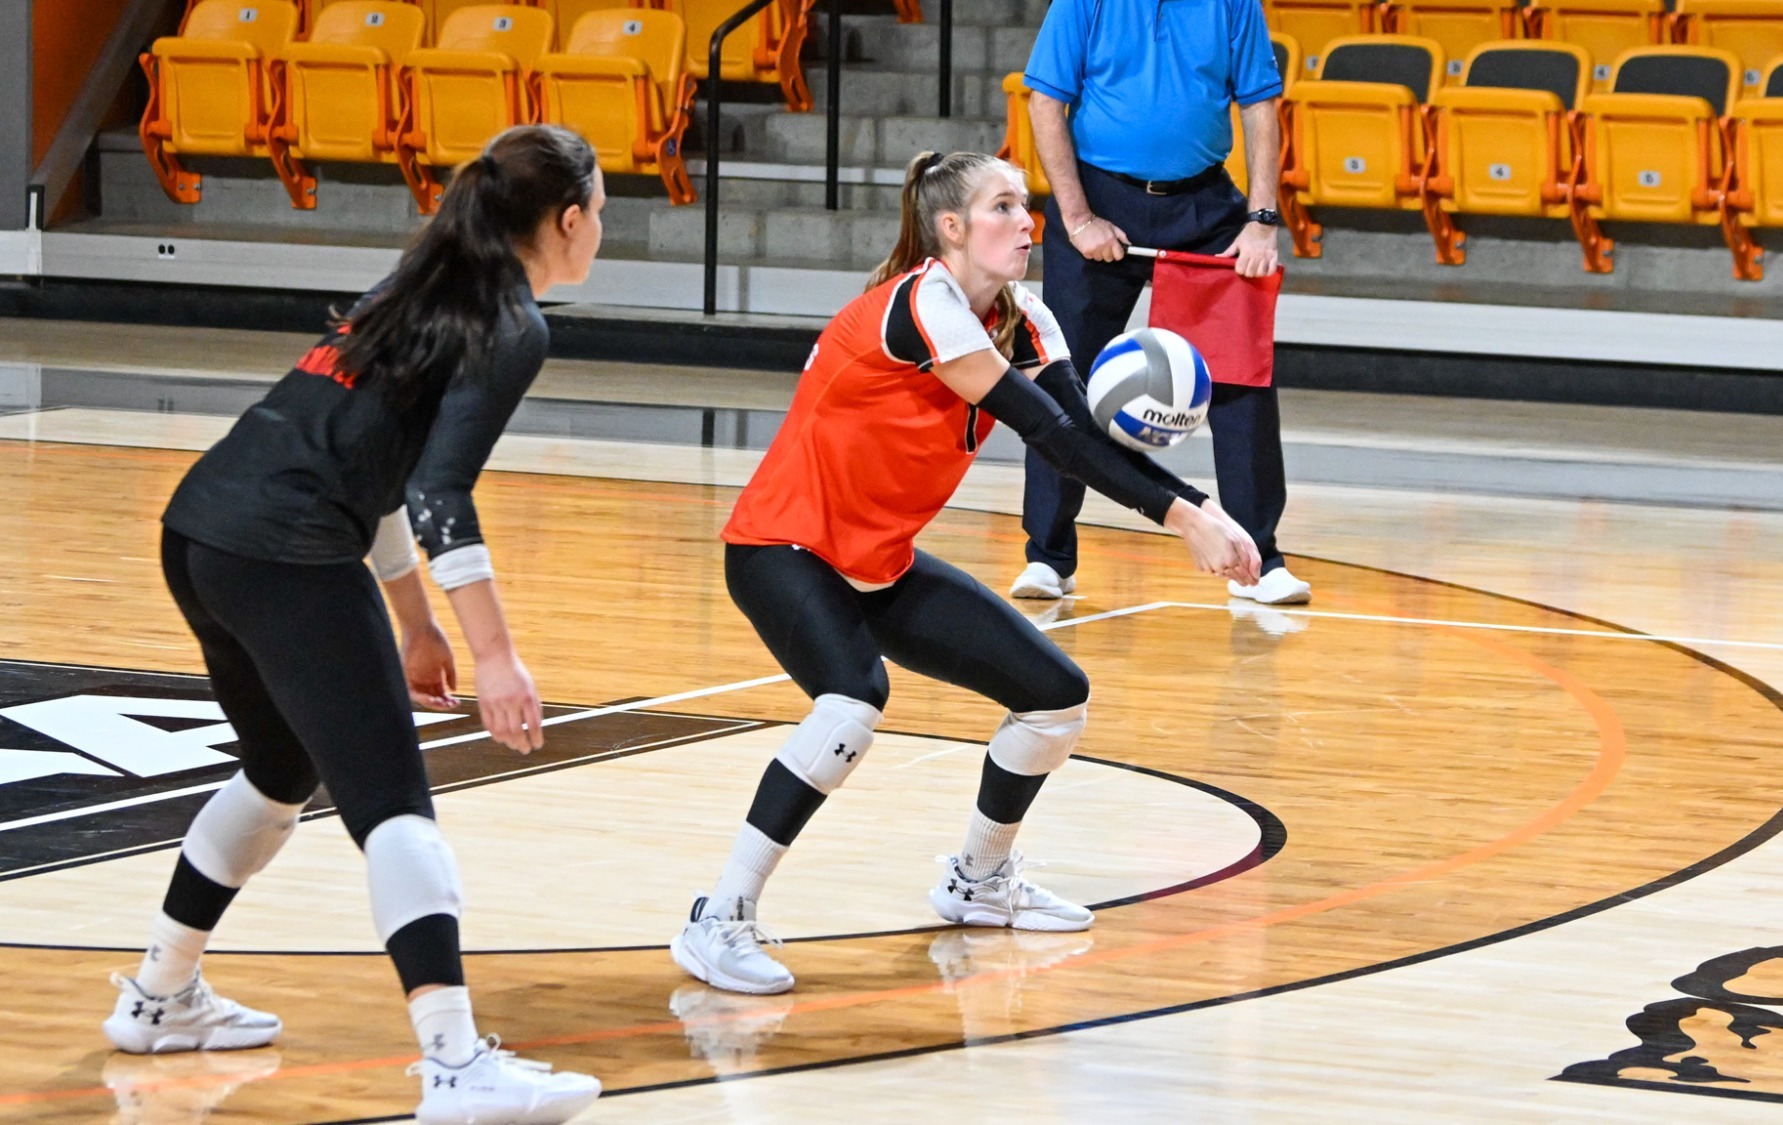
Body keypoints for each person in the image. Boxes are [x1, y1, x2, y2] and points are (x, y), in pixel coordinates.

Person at [103, 125, 604, 1125]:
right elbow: (439, 496)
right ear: (568, 220)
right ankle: (457, 1069)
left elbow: (381, 473)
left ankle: (159, 995)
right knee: (394, 808)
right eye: (601, 215)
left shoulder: (417, 286)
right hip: (283, 552)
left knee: (280, 769)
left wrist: (416, 622)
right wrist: (496, 656)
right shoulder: (510, 323)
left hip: (202, 531)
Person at [671, 150, 1261, 995]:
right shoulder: (924, 305)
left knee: (1055, 698)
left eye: (1028, 206)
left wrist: (1200, 506)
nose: (1029, 221)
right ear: (951, 228)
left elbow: (1084, 438)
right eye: (1005, 206)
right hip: (782, 546)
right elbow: (1046, 433)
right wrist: (1184, 518)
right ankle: (719, 916)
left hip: (879, 563)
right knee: (849, 703)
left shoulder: (1028, 320)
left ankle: (978, 879)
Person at [1009, 0, 1311, 607]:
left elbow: (1258, 104)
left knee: (1240, 378)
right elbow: (1046, 103)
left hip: (1203, 207)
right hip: (1097, 201)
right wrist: (1076, 218)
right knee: (1060, 381)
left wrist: (1261, 220)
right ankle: (1048, 557)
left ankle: (1259, 559)